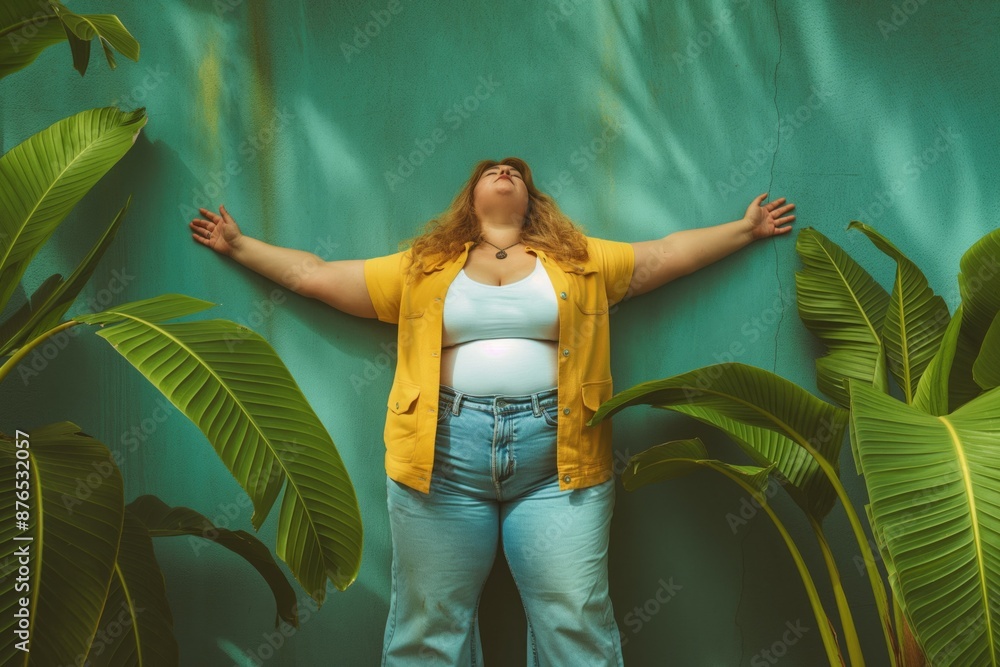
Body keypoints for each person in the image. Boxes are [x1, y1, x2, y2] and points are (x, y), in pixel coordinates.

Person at [189, 157, 795, 666]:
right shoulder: (422, 266)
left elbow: (663, 254)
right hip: (441, 460)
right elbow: (319, 276)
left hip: (559, 462)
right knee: (428, 626)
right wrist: (240, 246)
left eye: (516, 172)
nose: (504, 171)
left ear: (531, 198)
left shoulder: (581, 259)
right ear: (471, 196)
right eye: (491, 170)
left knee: (575, 621)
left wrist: (744, 230)